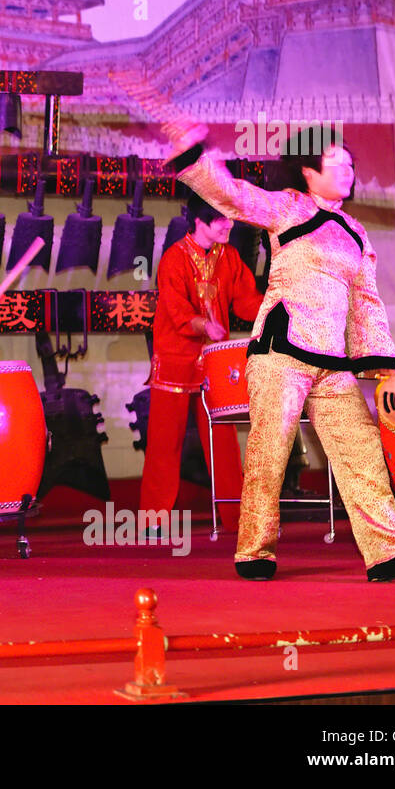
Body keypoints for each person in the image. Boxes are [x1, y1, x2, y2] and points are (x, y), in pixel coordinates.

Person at [168, 127, 395, 582]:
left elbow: (366, 303)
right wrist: (193, 159)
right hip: (282, 352)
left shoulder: (356, 231)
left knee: (363, 453)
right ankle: (255, 551)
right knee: (270, 450)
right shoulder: (289, 207)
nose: (349, 168)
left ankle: (388, 554)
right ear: (309, 171)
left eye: (351, 161)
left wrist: (379, 366)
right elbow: (234, 196)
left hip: (333, 365)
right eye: (337, 160)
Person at [140, 192, 263, 534]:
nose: (230, 224)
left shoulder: (230, 257)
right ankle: (153, 520)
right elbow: (177, 311)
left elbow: (245, 302)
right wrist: (203, 324)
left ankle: (238, 518)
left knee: (222, 439)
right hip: (176, 358)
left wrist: (275, 308)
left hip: (214, 361)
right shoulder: (173, 259)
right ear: (200, 220)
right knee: (166, 441)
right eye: (221, 219)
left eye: (230, 217)